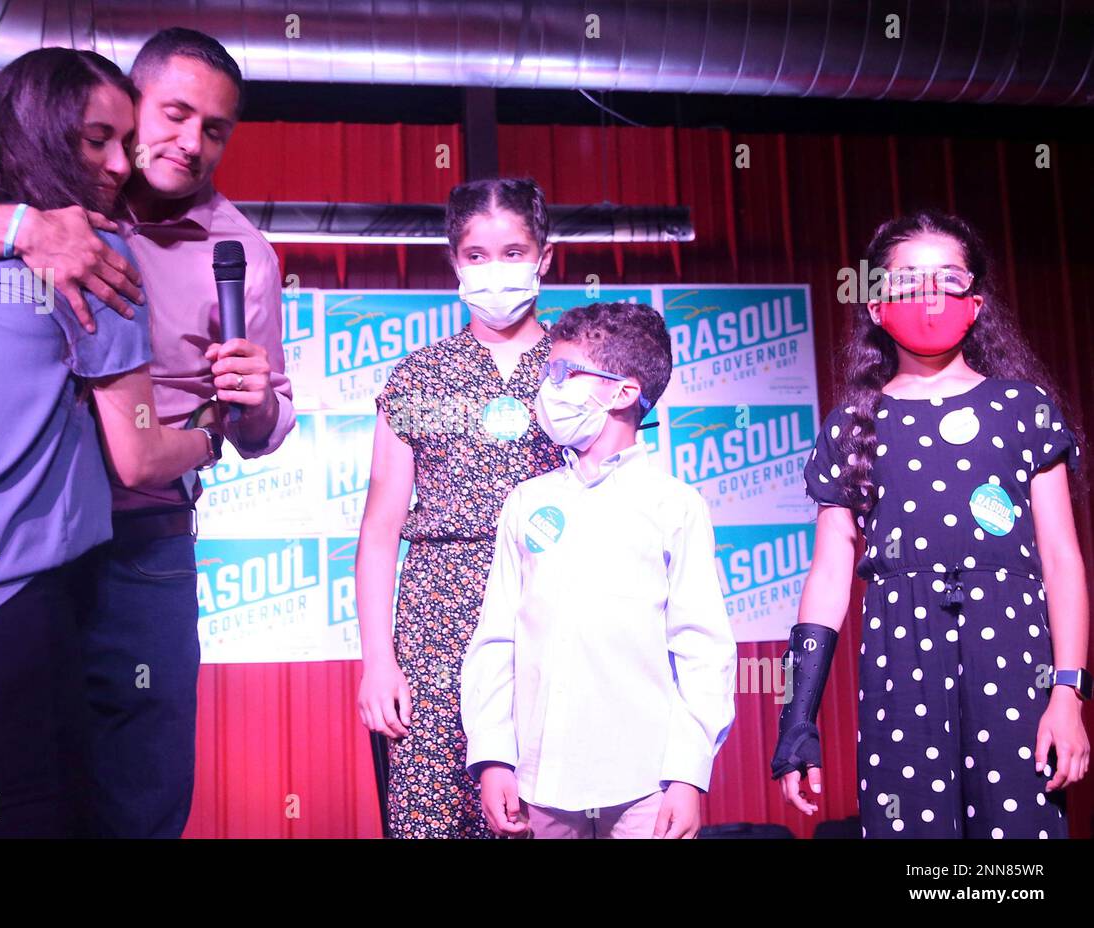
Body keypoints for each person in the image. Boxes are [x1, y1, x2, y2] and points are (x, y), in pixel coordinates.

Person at [0, 29, 296, 838]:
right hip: (7, 562)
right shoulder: (6, 196)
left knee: (135, 787)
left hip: (138, 540)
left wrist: (250, 407)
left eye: (216, 129)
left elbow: (263, 423)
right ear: (128, 106)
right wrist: (27, 228)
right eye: (174, 114)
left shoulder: (246, 254)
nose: (189, 143)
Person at [773, 208, 1091, 838]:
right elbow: (830, 572)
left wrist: (1068, 692)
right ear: (874, 305)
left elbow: (1061, 559)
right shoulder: (853, 424)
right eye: (908, 281)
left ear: (974, 300)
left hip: (1013, 649)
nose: (930, 296)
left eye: (948, 278)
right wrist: (797, 712)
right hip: (899, 651)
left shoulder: (1022, 409)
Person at [460, 301, 737, 838]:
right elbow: (496, 640)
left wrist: (687, 774)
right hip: (539, 779)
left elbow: (703, 649)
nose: (548, 386)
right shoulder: (526, 501)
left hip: (645, 781)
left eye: (565, 373)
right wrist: (493, 755)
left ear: (623, 392)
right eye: (547, 373)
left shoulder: (674, 506)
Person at [355, 178, 564, 838]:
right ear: (454, 261)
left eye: (512, 251)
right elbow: (380, 529)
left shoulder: (579, 367)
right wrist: (378, 660)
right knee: (435, 811)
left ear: (545, 257)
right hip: (436, 626)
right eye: (476, 255)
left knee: (548, 805)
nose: (494, 268)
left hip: (553, 612)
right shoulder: (417, 376)